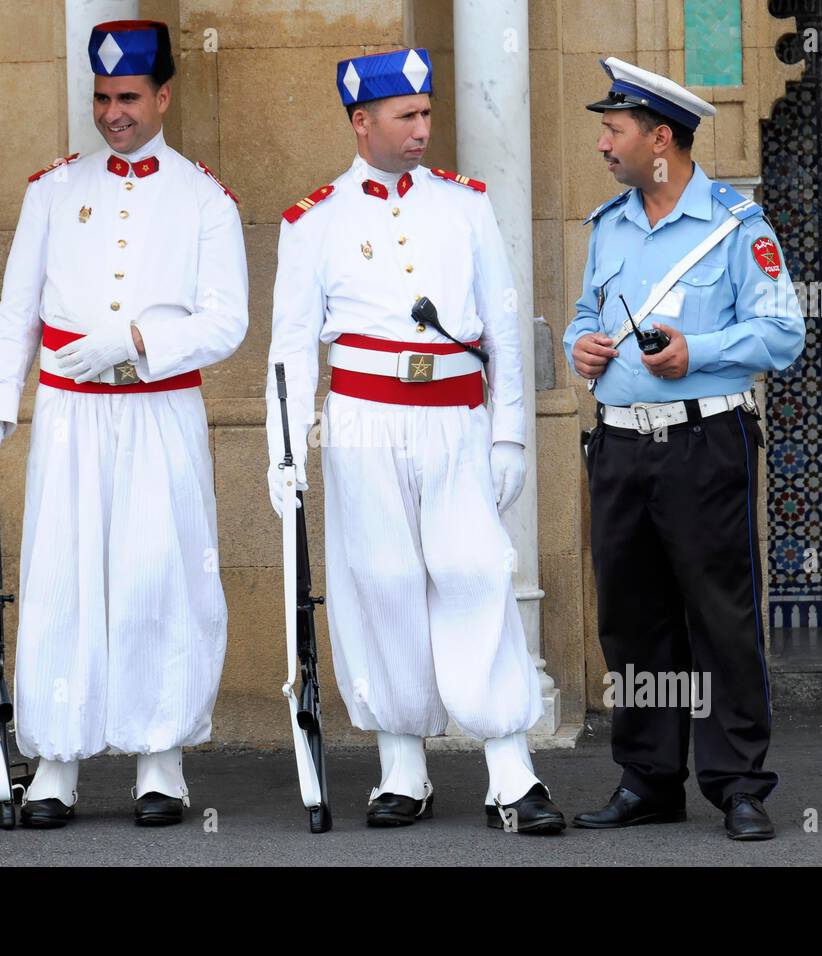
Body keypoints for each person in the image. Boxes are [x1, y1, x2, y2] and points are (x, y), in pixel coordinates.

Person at [265, 47, 565, 833]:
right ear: (363, 124)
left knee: (474, 572)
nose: (423, 128)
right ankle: (403, 769)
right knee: (383, 582)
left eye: (427, 113)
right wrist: (284, 451)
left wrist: (510, 437)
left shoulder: (466, 204)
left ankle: (512, 772)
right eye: (407, 116)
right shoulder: (314, 220)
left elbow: (502, 322)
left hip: (456, 418)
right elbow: (291, 349)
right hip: (363, 421)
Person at [0, 19, 248, 828]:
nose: (114, 113)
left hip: (160, 407)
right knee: (63, 575)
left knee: (161, 578)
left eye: (128, 97)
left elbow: (228, 323)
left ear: (162, 97)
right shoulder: (52, 190)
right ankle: (55, 759)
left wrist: (135, 342)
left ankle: (161, 762)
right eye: (102, 98)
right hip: (69, 413)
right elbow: (17, 313)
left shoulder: (204, 198)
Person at [563, 57, 804, 840]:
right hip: (621, 445)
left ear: (659, 138)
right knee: (633, 621)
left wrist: (693, 352)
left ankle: (737, 784)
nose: (603, 143)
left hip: (707, 440)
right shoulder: (610, 226)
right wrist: (583, 348)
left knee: (720, 616)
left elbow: (782, 332)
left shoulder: (740, 228)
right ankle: (649, 779)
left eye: (614, 129)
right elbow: (580, 315)